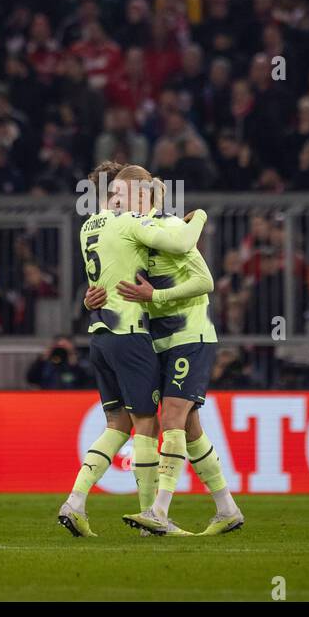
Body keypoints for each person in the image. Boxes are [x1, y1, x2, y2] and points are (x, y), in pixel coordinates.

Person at [87, 165, 245, 536]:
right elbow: (110, 274)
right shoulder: (136, 234)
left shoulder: (171, 227)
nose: (118, 203)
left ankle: (159, 511)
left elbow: (205, 281)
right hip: (157, 340)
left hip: (190, 335)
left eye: (126, 196)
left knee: (172, 418)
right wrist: (91, 297)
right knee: (189, 427)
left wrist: (156, 295)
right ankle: (227, 509)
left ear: (145, 197)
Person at [57, 163, 207, 538]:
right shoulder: (126, 223)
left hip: (99, 336)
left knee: (117, 424)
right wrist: (199, 216)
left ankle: (74, 502)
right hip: (130, 333)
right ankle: (150, 518)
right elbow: (182, 243)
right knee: (147, 424)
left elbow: (101, 279)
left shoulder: (88, 226)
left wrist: (88, 300)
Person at [25, 336, 94, 389]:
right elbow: (31, 379)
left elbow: (87, 382)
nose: (61, 350)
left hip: (72, 399)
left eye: (64, 347)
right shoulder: (45, 364)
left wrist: (75, 365)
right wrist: (42, 360)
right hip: (48, 398)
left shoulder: (79, 363)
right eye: (59, 347)